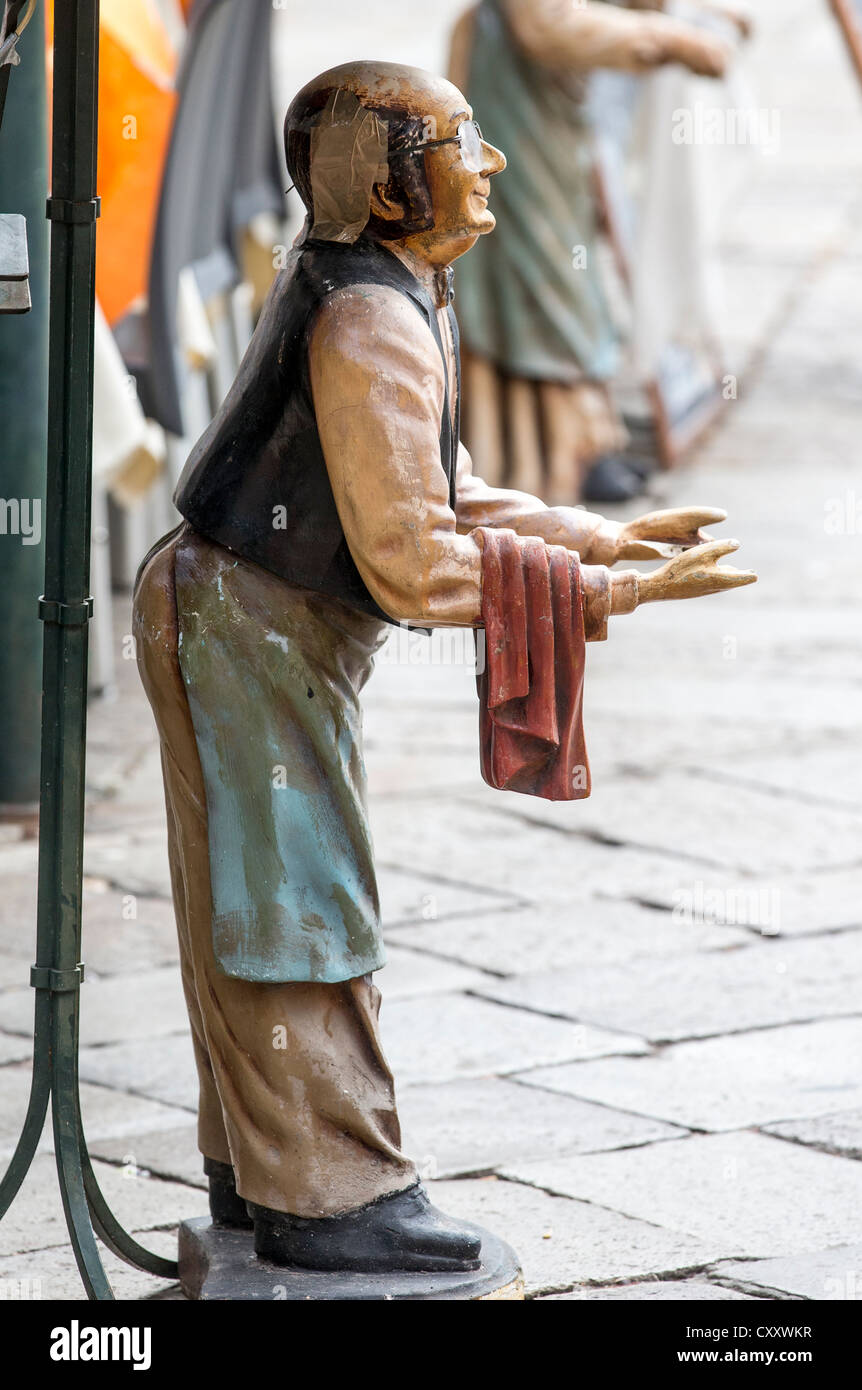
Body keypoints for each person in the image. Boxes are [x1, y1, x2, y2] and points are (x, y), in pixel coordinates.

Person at [133, 59, 754, 1276]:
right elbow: (415, 557)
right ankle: (329, 1195)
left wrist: (592, 533)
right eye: (461, 141)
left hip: (236, 612)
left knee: (257, 900)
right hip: (248, 624)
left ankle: (260, 1172)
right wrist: (601, 592)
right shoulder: (368, 313)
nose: (491, 161)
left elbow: (436, 490)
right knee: (300, 908)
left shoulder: (384, 286)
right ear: (385, 181)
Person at [449, 0, 749, 502]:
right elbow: (545, 23)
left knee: (565, 261)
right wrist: (669, 38)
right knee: (538, 269)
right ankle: (539, 451)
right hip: (515, 97)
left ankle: (578, 439)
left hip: (554, 103)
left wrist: (692, 14)